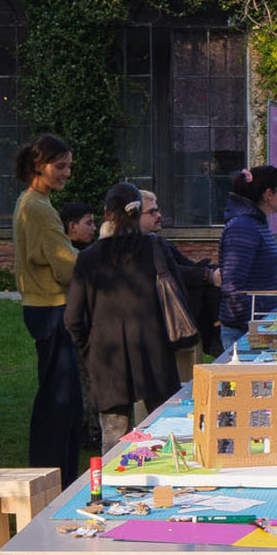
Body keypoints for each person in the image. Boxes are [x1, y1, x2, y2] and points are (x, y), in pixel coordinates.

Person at [64, 181, 217, 449]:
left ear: (106, 214)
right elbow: (179, 296)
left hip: (107, 358)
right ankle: (164, 486)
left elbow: (74, 318)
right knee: (166, 433)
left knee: (114, 440)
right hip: (154, 353)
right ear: (137, 214)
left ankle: (114, 488)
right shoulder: (154, 250)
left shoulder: (89, 258)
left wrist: (89, 348)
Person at [15, 133, 84, 483]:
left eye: (69, 166)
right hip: (51, 309)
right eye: (60, 166)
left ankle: (57, 475)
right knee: (60, 403)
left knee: (62, 400)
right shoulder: (38, 208)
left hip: (45, 308)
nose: (66, 173)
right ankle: (54, 477)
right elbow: (65, 265)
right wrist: (95, 264)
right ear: (39, 166)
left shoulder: (32, 202)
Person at [218, 165, 277, 335]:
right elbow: (232, 285)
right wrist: (253, 326)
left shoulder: (256, 224)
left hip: (260, 325)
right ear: (269, 194)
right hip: (246, 331)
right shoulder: (243, 226)